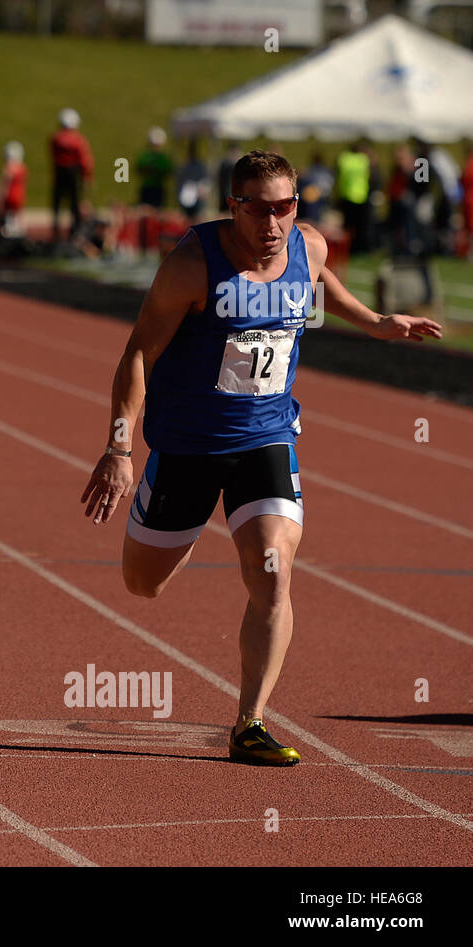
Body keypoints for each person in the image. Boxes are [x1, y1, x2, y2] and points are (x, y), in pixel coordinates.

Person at [79, 150, 441, 766]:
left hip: (266, 438)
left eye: (285, 207)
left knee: (273, 572)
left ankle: (249, 722)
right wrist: (119, 447)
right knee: (144, 585)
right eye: (258, 209)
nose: (272, 223)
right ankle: (183, 522)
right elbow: (138, 353)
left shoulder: (309, 246)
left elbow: (321, 286)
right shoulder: (193, 266)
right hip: (189, 447)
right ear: (234, 207)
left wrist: (377, 321)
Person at [50, 108, 93, 241]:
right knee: (74, 203)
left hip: (59, 173)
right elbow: (85, 159)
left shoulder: (56, 139)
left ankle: (56, 231)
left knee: (57, 202)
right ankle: (74, 232)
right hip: (74, 174)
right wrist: (87, 176)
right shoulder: (78, 140)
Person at [335, 139, 373, 253]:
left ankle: (346, 248)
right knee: (361, 226)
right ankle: (360, 248)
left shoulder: (344, 158)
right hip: (361, 195)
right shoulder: (364, 159)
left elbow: (338, 173)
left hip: (347, 195)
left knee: (347, 226)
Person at [0, 140, 28, 239]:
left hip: (9, 196)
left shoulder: (7, 168)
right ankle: (17, 232)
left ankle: (9, 235)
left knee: (8, 218)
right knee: (16, 217)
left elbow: (4, 184)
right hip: (19, 196)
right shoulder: (23, 167)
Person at [136, 127, 173, 209]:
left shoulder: (162, 158)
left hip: (158, 188)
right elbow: (139, 168)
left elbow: (167, 171)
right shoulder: (145, 156)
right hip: (147, 187)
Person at [295, 151, 334, 225]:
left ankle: (312, 221)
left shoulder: (324, 172)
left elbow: (326, 188)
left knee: (311, 201)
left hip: (319, 197)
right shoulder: (312, 170)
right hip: (311, 195)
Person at [175, 138, 209, 222]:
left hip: (197, 195)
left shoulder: (199, 166)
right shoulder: (185, 166)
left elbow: (204, 180)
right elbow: (180, 180)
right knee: (188, 217)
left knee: (195, 217)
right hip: (187, 195)